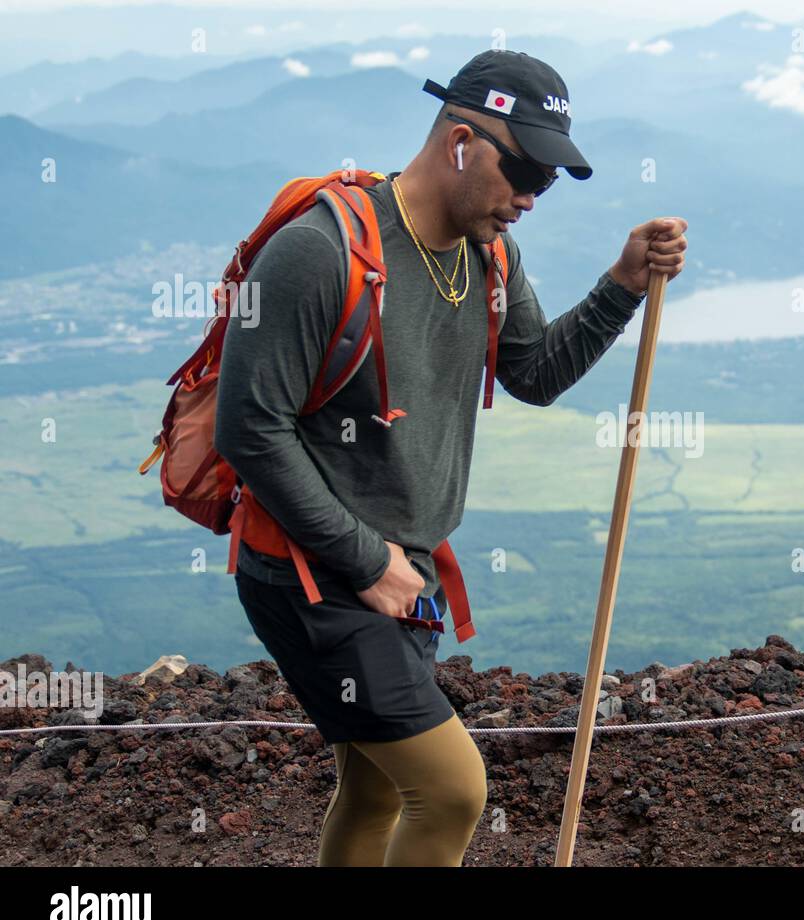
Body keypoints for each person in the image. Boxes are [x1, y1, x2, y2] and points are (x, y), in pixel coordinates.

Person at [213, 49, 688, 866]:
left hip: (403, 571)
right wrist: (369, 562)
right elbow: (251, 431)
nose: (533, 197)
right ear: (462, 141)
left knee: (373, 786)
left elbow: (533, 372)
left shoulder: (487, 253)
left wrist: (621, 284)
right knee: (454, 789)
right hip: (313, 574)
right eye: (525, 169)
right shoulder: (320, 251)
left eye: (549, 177)